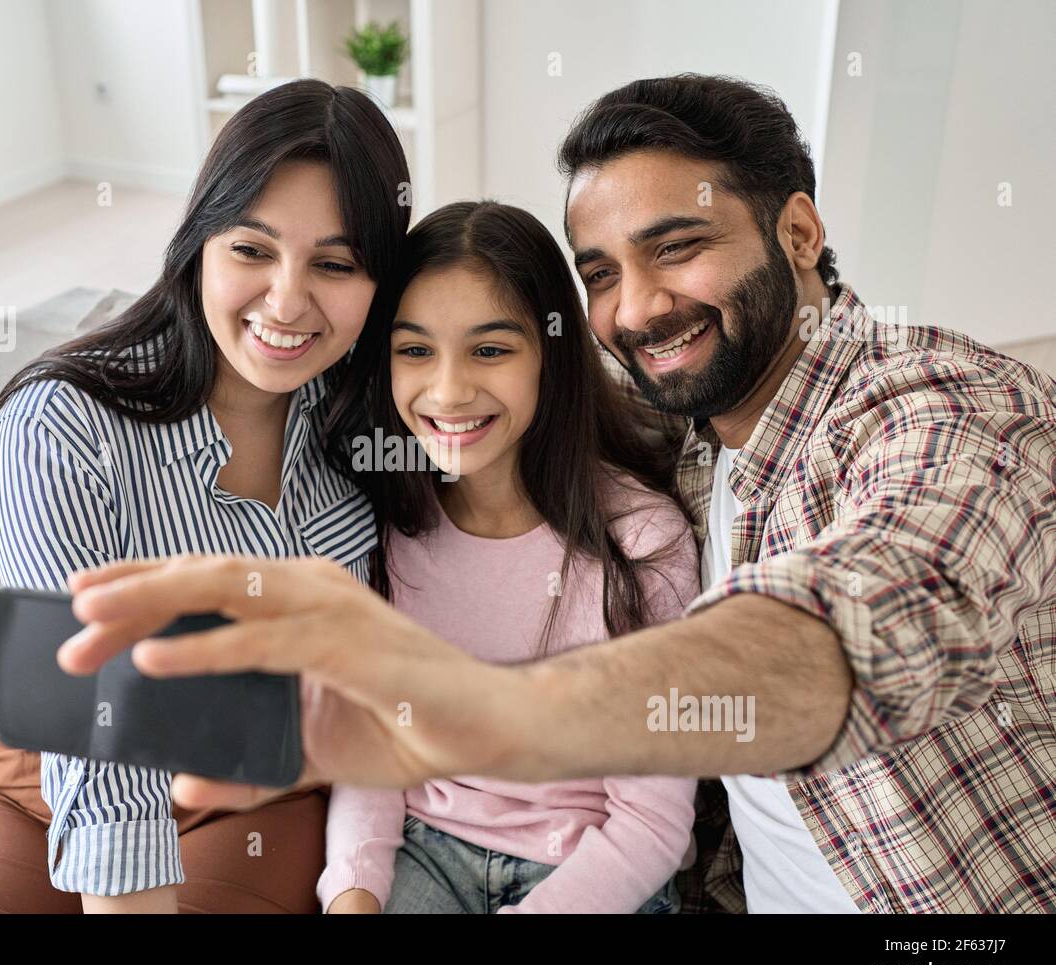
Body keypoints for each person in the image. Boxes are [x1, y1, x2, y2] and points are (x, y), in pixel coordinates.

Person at [58, 74, 1056, 914]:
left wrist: (501, 713)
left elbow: (867, 613)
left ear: (796, 230)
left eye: (675, 246)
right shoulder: (688, 416)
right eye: (599, 274)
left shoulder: (943, 408)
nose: (637, 305)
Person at [0, 79, 411, 913]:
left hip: (256, 787)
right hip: (46, 779)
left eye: (336, 264)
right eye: (251, 249)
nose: (287, 299)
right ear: (199, 241)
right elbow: (91, 717)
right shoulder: (60, 424)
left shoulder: (382, 421)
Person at [317, 201, 698, 914]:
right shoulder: (389, 524)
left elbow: (652, 820)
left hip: (595, 869)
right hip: (427, 849)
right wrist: (353, 890)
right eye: (416, 349)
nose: (450, 389)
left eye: (491, 349)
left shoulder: (645, 543)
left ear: (550, 357)